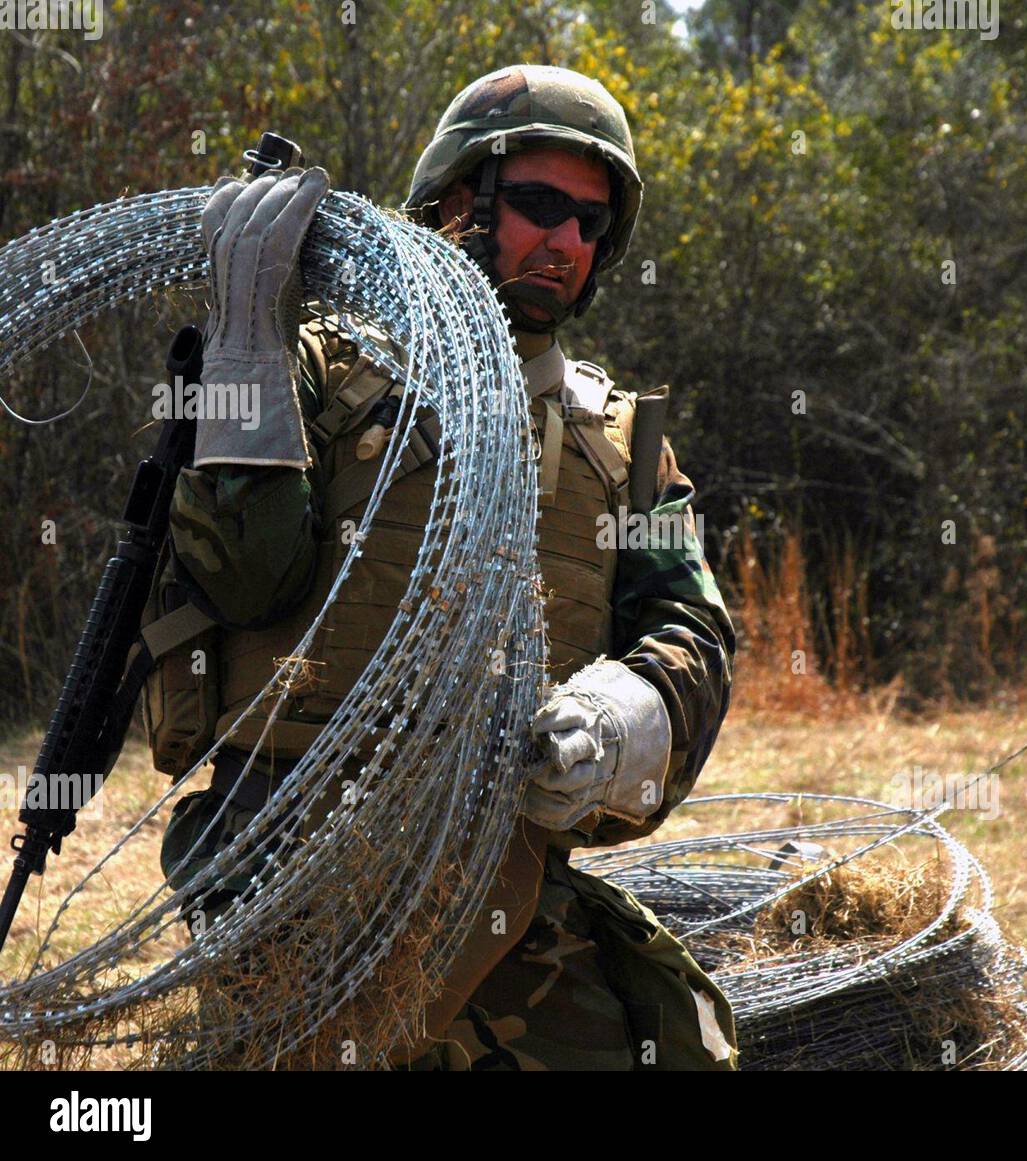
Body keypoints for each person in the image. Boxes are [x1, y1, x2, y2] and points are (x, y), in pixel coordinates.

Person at [153, 64, 738, 1070]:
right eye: (539, 205)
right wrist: (247, 345)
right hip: (298, 884)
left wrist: (625, 719)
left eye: (590, 224)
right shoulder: (321, 373)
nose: (565, 242)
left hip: (506, 898)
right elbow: (245, 580)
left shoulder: (626, 445)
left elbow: (694, 638)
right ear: (454, 198)